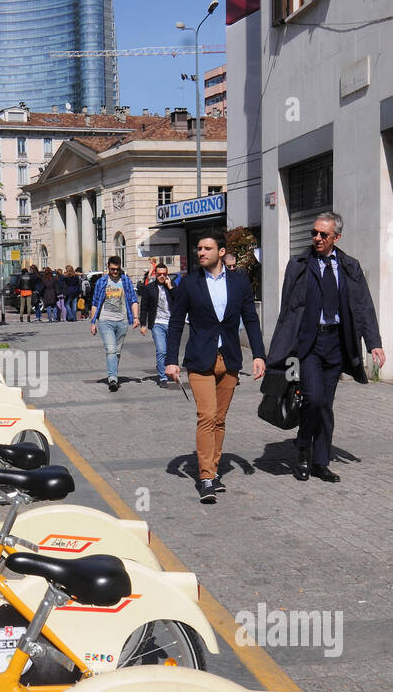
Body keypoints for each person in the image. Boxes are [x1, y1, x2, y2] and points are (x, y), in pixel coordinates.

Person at [265, 212, 385, 483]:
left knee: (325, 405)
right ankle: (304, 449)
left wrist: (374, 343)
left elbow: (363, 306)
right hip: (310, 343)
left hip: (336, 343)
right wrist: (280, 350)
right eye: (314, 233)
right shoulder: (299, 265)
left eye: (323, 235)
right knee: (314, 398)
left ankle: (321, 462)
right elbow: (288, 310)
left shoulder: (349, 266)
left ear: (336, 237)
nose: (316, 238)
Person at [165, 232, 265, 503]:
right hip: (200, 359)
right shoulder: (189, 283)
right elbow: (175, 323)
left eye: (207, 248)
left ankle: (215, 468)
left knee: (220, 419)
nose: (201, 252)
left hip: (229, 359)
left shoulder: (239, 281)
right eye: (199, 248)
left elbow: (251, 320)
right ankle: (206, 476)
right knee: (207, 415)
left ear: (221, 252)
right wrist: (170, 360)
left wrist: (259, 354)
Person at [90, 256, 140, 392]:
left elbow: (133, 300)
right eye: (112, 269)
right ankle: (113, 379)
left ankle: (113, 374)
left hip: (122, 321)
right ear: (108, 267)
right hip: (106, 320)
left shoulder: (125, 281)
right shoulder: (102, 282)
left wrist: (135, 317)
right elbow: (95, 303)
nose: (115, 272)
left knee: (117, 351)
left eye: (117, 269)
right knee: (111, 349)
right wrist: (93, 322)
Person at [139, 263, 175, 386]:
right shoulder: (149, 288)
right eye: (159, 274)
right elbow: (144, 307)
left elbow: (180, 302)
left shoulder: (172, 286)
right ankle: (162, 377)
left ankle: (170, 369)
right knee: (161, 350)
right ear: (155, 274)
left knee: (170, 351)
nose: (161, 276)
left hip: (171, 323)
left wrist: (170, 287)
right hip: (157, 323)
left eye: (164, 274)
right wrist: (143, 324)